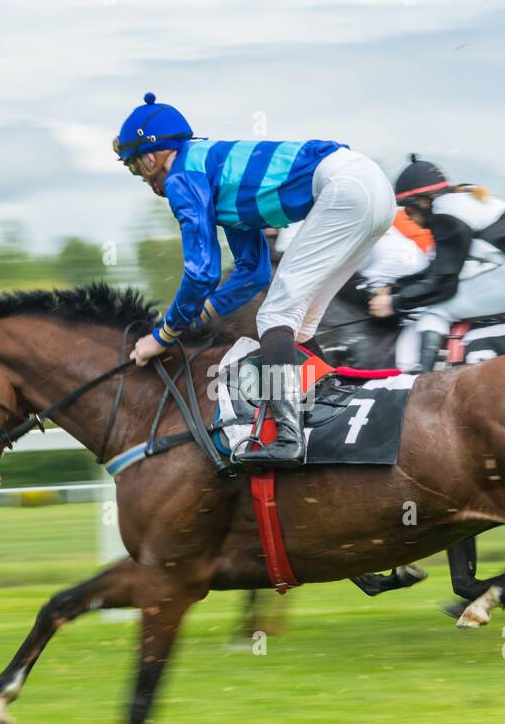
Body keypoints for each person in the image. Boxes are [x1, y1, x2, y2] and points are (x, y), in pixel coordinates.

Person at [115, 92, 394, 469]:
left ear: (151, 157)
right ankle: (332, 405)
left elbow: (201, 272)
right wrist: (201, 316)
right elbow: (253, 272)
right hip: (372, 190)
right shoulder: (210, 170)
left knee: (274, 315)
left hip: (347, 188)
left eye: (136, 169)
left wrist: (164, 334)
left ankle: (287, 436)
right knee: (299, 320)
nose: (144, 181)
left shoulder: (183, 176)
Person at [369, 156, 505, 373]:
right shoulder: (455, 203)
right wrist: (395, 287)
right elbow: (437, 270)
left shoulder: (446, 212)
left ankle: (421, 380)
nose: (409, 218)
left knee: (434, 310)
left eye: (408, 210)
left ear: (424, 201)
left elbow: (443, 285)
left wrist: (394, 303)